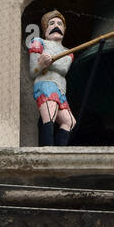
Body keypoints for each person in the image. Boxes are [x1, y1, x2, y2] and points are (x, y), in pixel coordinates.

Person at [27, 8, 76, 146]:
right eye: (52, 23)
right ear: (45, 29)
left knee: (69, 121)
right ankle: (47, 148)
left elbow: (63, 68)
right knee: (50, 113)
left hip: (60, 90)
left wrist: (47, 63)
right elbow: (33, 71)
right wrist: (41, 64)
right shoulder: (38, 42)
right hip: (45, 84)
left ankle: (59, 151)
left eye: (60, 24)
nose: (56, 26)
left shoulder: (68, 52)